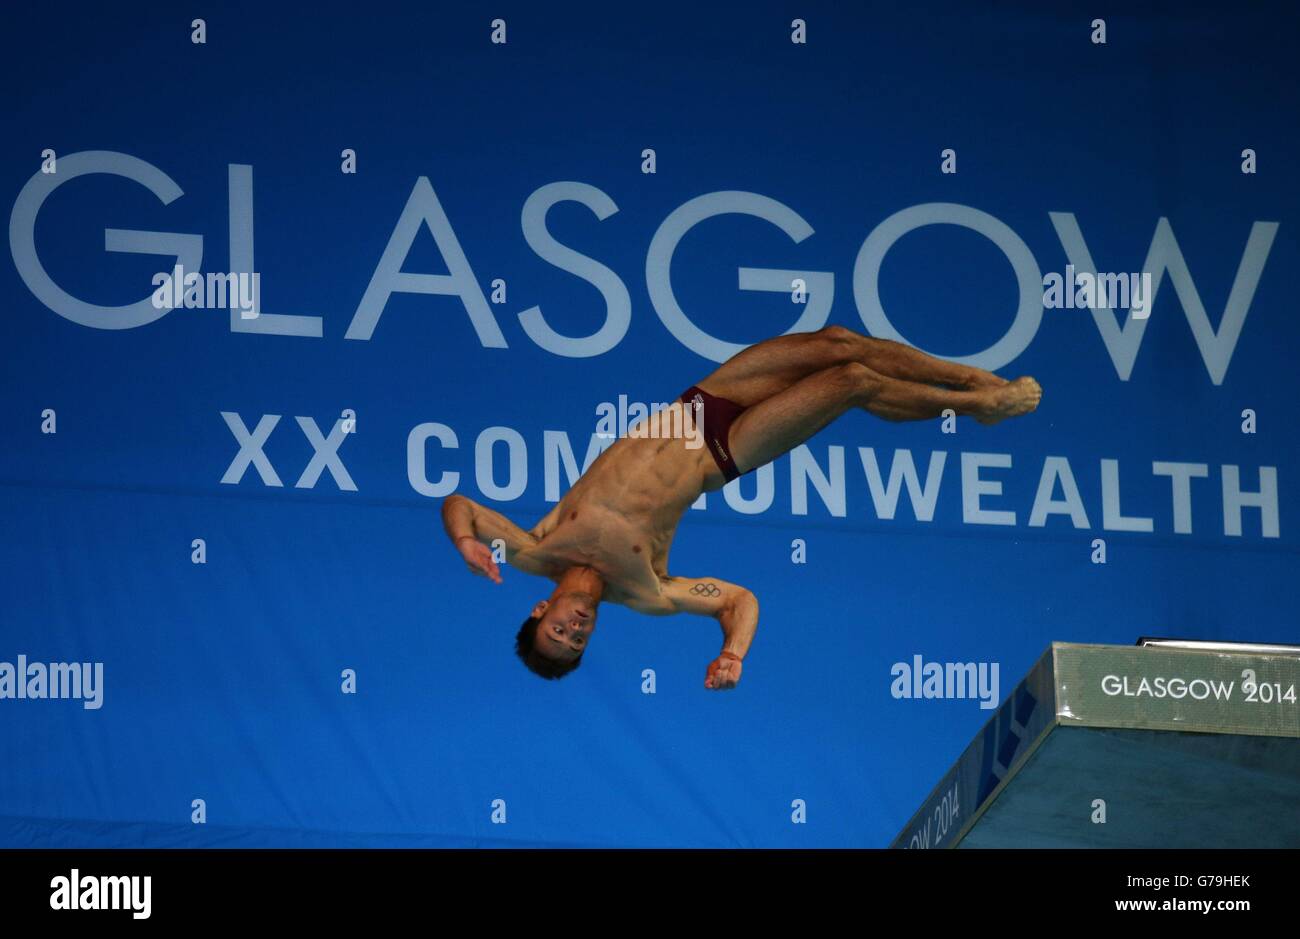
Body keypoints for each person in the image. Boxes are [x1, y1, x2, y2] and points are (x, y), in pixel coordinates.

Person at [440, 325, 1041, 689]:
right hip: (724, 453)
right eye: (576, 643)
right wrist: (732, 653)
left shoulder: (532, 550)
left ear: (542, 609)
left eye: (557, 632)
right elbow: (738, 600)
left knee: (838, 342)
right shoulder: (646, 593)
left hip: (697, 407)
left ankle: (977, 385)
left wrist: (465, 541)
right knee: (853, 381)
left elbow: (460, 503)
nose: (573, 631)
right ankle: (977, 408)